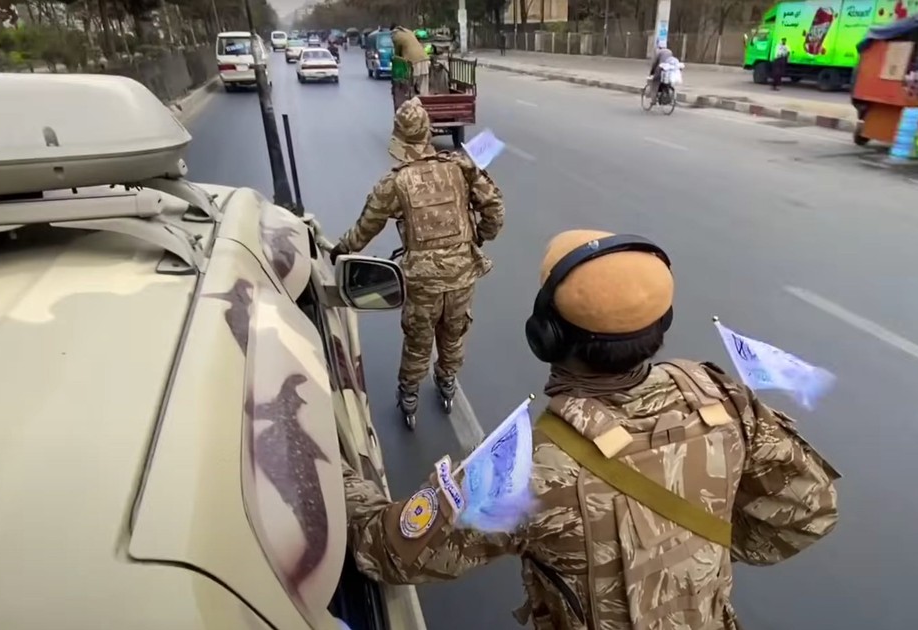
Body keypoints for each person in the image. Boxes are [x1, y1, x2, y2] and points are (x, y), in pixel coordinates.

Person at [340, 228, 842, 629]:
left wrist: (342, 481)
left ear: (547, 336)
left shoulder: (530, 468)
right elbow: (807, 513)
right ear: (658, 330)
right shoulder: (720, 398)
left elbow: (387, 553)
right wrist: (691, 556)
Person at [329, 98, 504, 428]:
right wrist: (480, 237)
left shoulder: (394, 183)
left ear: (399, 137)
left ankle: (409, 396)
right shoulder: (461, 168)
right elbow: (495, 207)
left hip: (420, 283)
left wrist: (339, 251)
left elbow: (366, 227)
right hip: (461, 275)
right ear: (427, 132)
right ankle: (447, 381)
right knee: (453, 335)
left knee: (418, 341)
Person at [391, 23, 431, 94]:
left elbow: (397, 53)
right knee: (423, 85)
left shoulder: (395, 35)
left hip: (413, 62)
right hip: (425, 59)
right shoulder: (409, 31)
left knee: (412, 85)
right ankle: (425, 100)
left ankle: (413, 102)